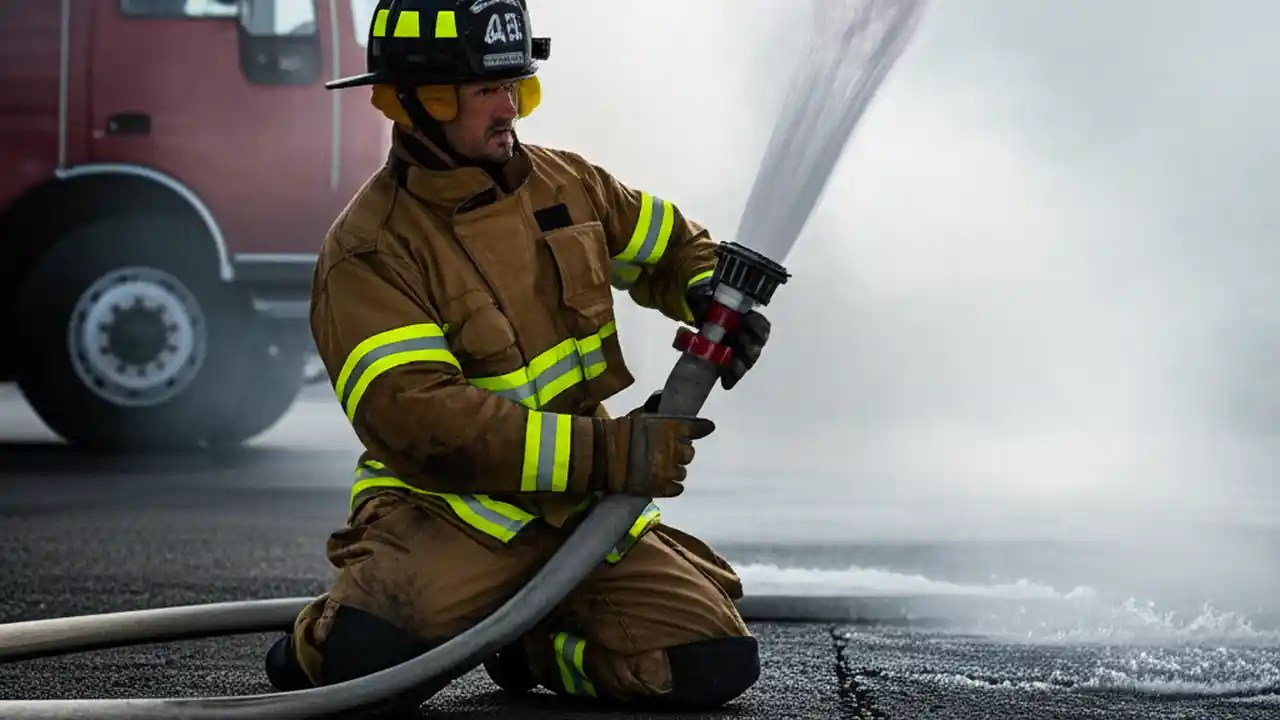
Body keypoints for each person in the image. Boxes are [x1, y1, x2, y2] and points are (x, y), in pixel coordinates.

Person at [263, 0, 772, 710]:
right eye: (488, 91)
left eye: (520, 87)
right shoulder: (373, 251)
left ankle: (529, 643)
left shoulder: (568, 185)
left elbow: (670, 244)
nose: (511, 108)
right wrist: (611, 454)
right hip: (450, 517)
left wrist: (707, 291)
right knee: (366, 674)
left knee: (711, 663)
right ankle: (318, 645)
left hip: (578, 513)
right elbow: (426, 422)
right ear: (420, 101)